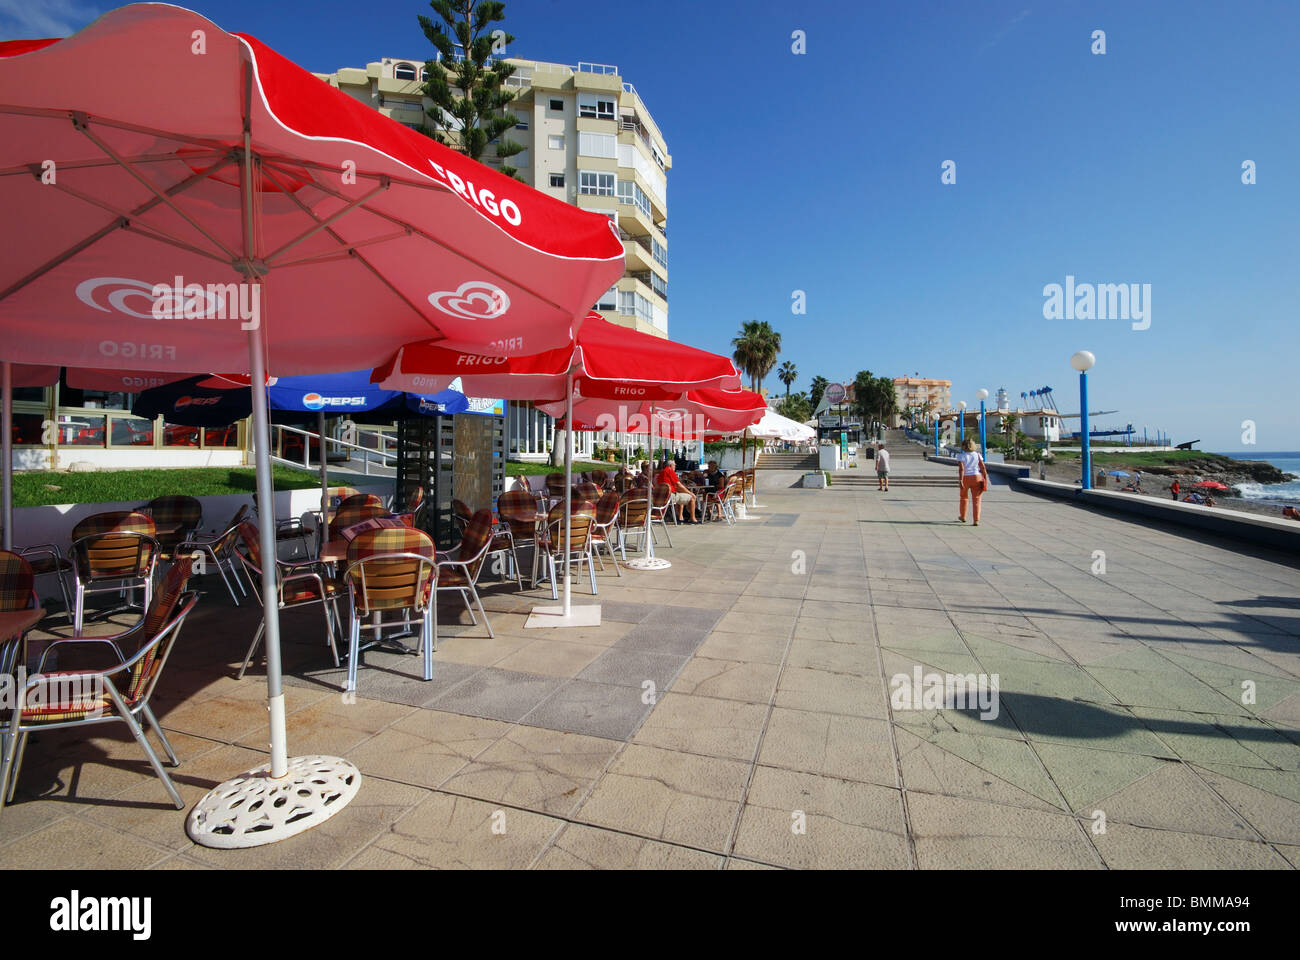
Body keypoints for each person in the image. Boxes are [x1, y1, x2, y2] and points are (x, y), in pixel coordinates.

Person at [956, 437, 988, 525]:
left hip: (966, 478)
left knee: (964, 498)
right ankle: (976, 520)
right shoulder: (978, 455)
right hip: (977, 477)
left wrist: (960, 480)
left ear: (963, 446)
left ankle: (963, 516)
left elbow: (961, 469)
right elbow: (983, 468)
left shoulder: (961, 456)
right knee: (977, 499)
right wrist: (985, 478)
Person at [656, 458, 698, 523]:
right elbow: (679, 485)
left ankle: (680, 517)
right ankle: (693, 518)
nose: (675, 466)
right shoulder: (670, 471)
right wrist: (690, 493)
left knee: (681, 496)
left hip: (661, 496)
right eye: (674, 465)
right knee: (692, 498)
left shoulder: (661, 473)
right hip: (670, 496)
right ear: (670, 465)